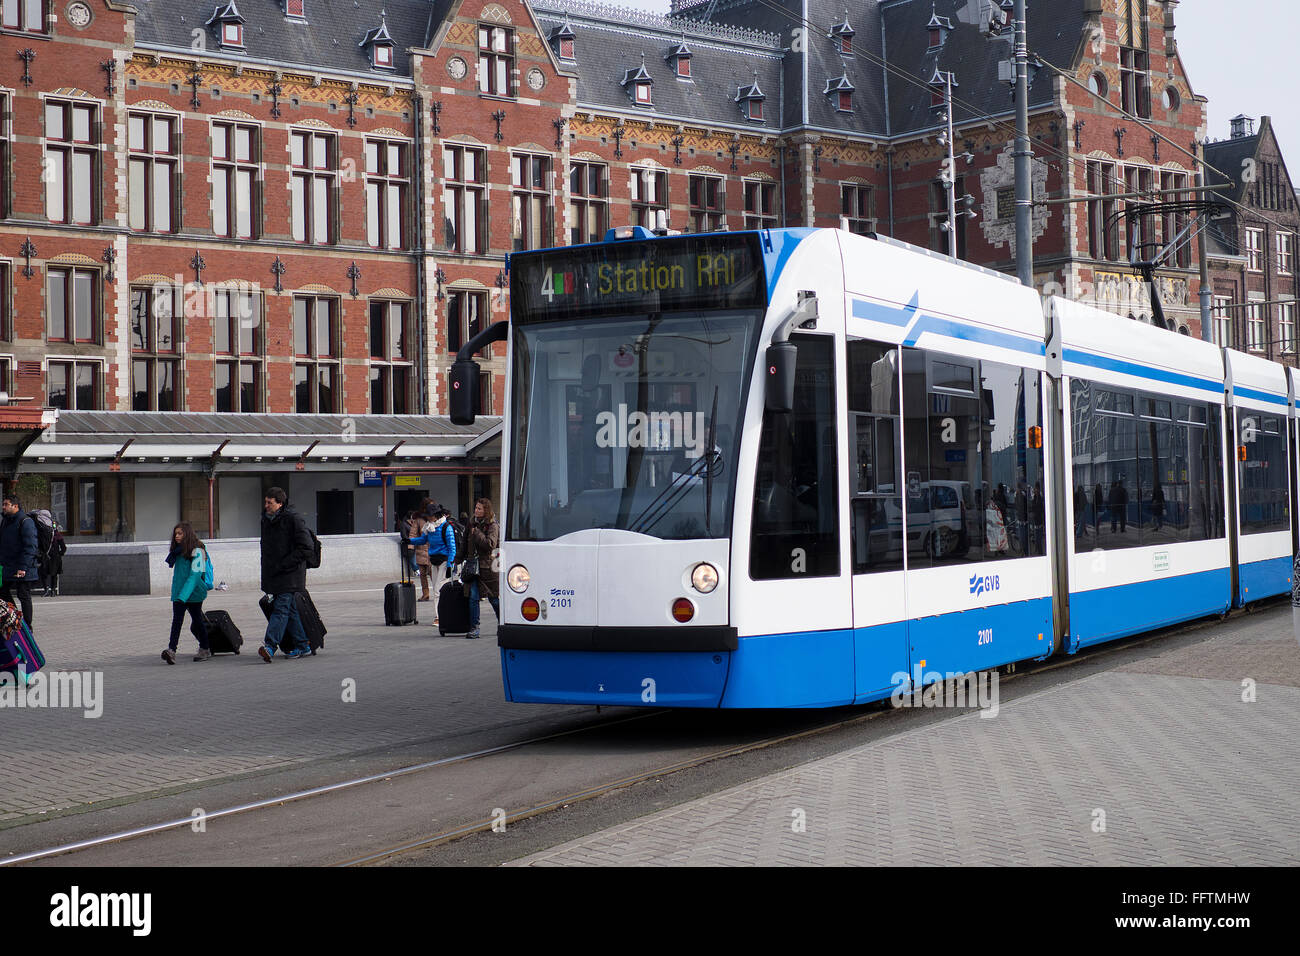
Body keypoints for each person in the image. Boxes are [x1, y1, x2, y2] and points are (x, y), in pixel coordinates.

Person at [258, 486, 314, 662]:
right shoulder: (266, 520)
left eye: (270, 502)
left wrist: (285, 564)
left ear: (280, 503)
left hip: (290, 574)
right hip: (275, 573)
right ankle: (303, 645)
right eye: (265, 501)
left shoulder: (293, 519)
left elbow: (306, 547)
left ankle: (270, 646)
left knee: (281, 609)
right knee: (289, 611)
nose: (266, 505)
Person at [162, 522, 212, 663]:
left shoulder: (199, 550)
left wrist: (183, 596)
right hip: (180, 593)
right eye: (175, 534)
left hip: (195, 592)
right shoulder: (178, 551)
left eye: (180, 533)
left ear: (187, 534)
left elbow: (195, 575)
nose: (177, 536)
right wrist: (178, 594)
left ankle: (205, 648)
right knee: (177, 621)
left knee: (197, 621)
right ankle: (171, 650)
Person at [408, 505, 456, 628]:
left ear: (435, 515)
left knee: (437, 591)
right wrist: (410, 541)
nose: (427, 518)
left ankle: (439, 617)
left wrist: (450, 565)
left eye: (429, 516)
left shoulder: (446, 527)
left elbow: (452, 548)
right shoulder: (429, 527)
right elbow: (423, 540)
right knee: (436, 589)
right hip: (434, 561)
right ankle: (443, 614)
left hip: (445, 561)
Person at [0, 494, 38, 631]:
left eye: (6, 504)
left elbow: (31, 546)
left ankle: (27, 626)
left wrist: (23, 567)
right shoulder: (6, 521)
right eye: (3, 504)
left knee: (23, 595)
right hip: (9, 566)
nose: (3, 507)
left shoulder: (25, 521)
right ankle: (16, 618)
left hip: (23, 566)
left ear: (15, 506)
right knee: (2, 591)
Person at [464, 498, 500, 640]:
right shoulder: (471, 523)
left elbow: (490, 544)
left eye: (479, 508)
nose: (476, 510)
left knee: (493, 598)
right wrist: (458, 558)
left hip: (488, 567)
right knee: (473, 597)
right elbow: (465, 542)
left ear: (486, 510)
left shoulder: (492, 525)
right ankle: (474, 628)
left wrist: (477, 533)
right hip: (473, 567)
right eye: (476, 508)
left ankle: (502, 622)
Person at [40, 524, 67, 597]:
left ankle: (48, 589)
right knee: (52, 574)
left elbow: (63, 547)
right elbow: (63, 548)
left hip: (48, 557)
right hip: (53, 557)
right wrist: (59, 554)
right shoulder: (57, 535)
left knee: (47, 573)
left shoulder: (45, 535)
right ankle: (52, 590)